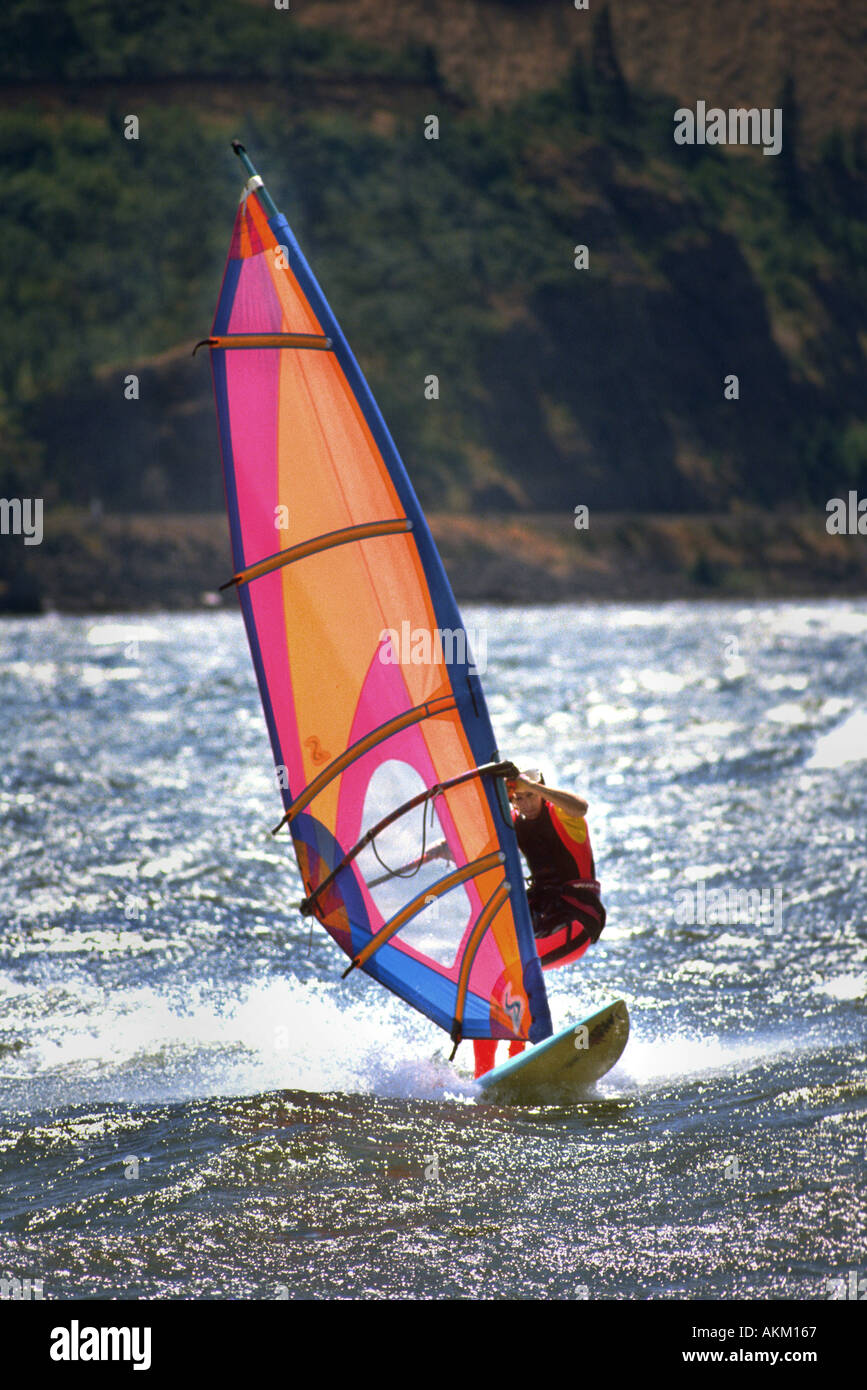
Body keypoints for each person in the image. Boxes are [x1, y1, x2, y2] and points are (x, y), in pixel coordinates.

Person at [473, 769, 606, 1078]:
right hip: (544, 915)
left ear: (542, 791)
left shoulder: (564, 816)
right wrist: (441, 850)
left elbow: (581, 807)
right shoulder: (515, 823)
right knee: (491, 971)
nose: (525, 804)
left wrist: (532, 785)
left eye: (530, 795)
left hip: (575, 921)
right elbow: (479, 841)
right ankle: (485, 1075)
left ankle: (526, 1051)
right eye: (518, 799)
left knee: (515, 967)